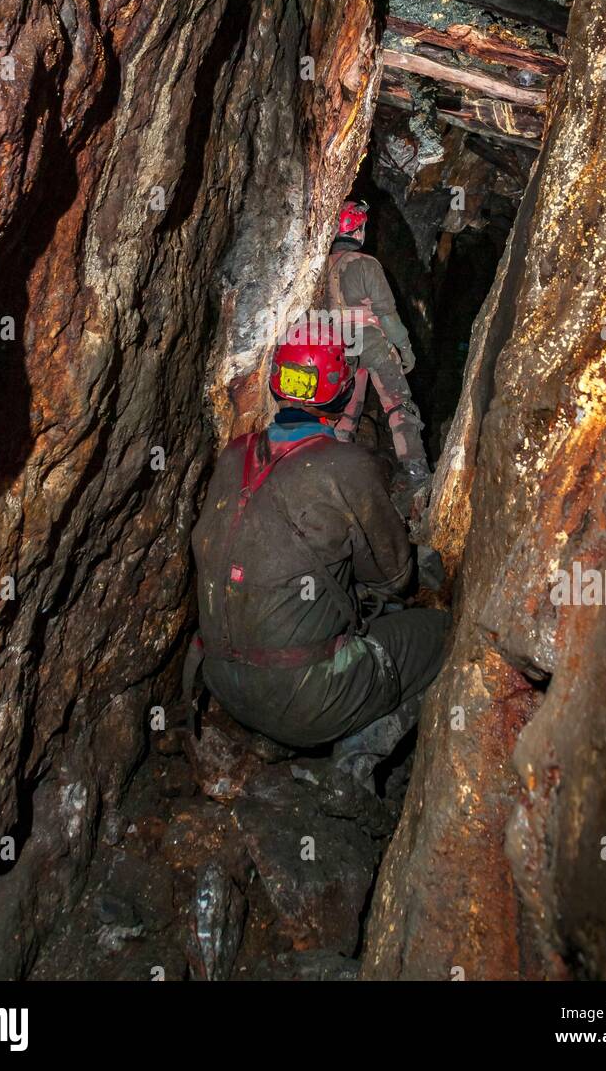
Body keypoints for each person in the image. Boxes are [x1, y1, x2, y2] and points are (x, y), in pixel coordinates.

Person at [187, 333, 447, 790]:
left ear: (274, 386)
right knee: (444, 637)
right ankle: (351, 767)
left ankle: (281, 737)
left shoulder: (232, 456)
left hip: (222, 683)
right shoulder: (345, 464)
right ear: (344, 390)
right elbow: (394, 578)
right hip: (303, 696)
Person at [323, 199, 431, 514]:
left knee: (348, 409)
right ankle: (416, 473)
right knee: (398, 404)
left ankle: (335, 467)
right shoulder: (366, 264)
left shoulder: (324, 266)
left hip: (341, 347)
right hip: (373, 342)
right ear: (357, 230)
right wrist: (406, 348)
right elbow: (387, 313)